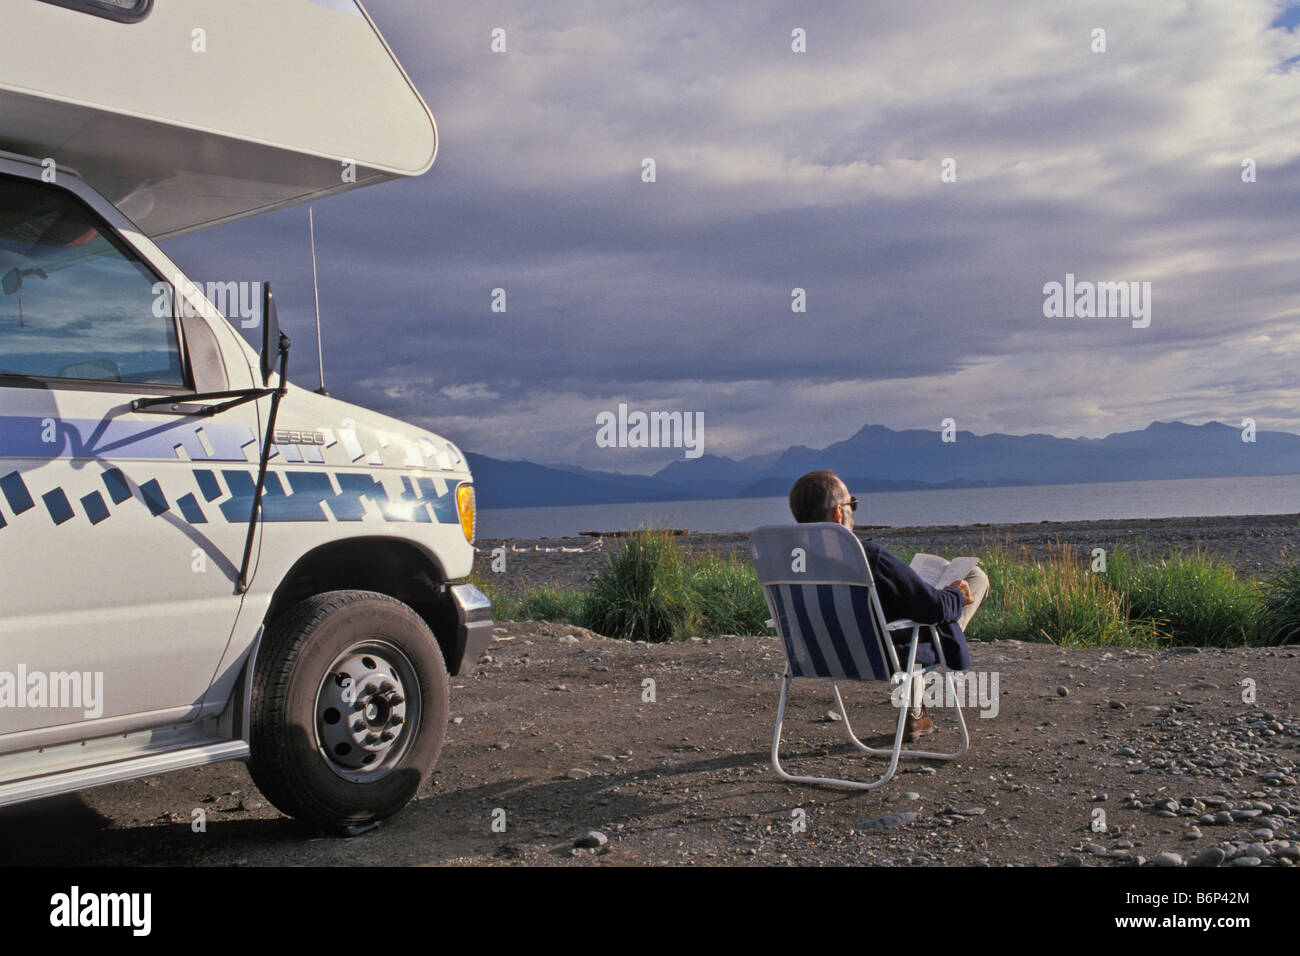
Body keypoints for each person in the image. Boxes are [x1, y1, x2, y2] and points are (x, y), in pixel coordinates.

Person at [788, 470, 988, 742]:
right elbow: (933, 609)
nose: (853, 512)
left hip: (818, 655)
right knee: (974, 580)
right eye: (852, 505)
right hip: (884, 655)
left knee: (911, 608)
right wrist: (955, 595)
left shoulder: (793, 565)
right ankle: (913, 706)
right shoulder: (871, 557)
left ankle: (915, 709)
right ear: (837, 513)